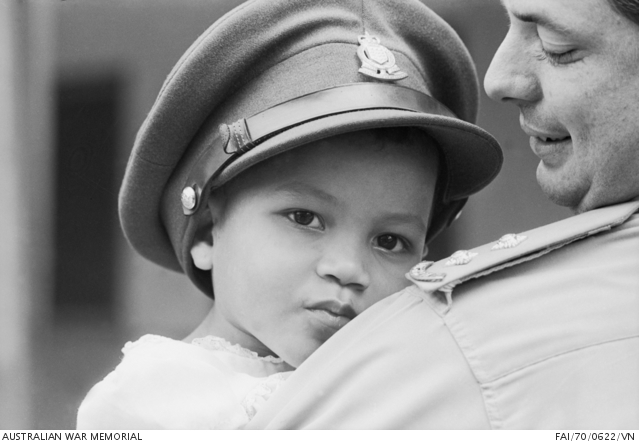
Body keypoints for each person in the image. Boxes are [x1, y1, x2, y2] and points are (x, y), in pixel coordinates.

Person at [75, 0, 502, 430]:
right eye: (304, 217)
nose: (348, 269)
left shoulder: (409, 397)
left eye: (390, 241)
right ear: (206, 231)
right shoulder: (152, 402)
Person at [246, 0, 639, 430]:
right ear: (207, 230)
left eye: (556, 44)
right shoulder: (167, 390)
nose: (497, 78)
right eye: (304, 217)